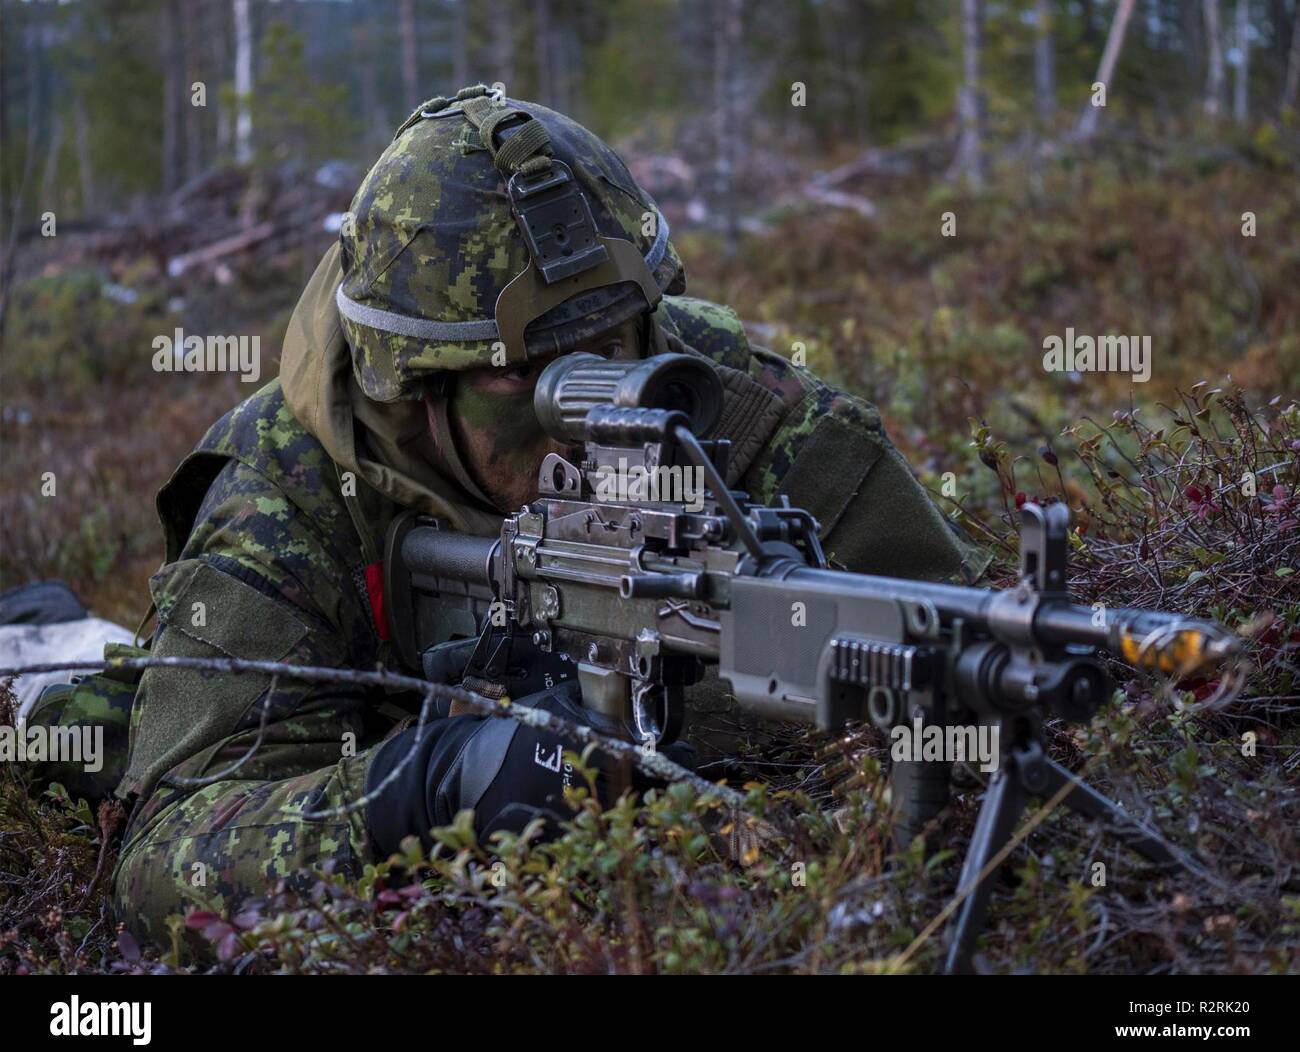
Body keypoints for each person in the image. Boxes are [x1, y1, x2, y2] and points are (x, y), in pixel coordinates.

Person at [33, 86, 982, 950]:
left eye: (613, 343)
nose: (594, 401)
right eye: (522, 374)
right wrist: (429, 786)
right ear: (412, 389)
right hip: (345, 767)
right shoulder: (291, 491)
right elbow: (167, 857)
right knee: (64, 713)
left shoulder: (742, 416)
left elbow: (971, 656)